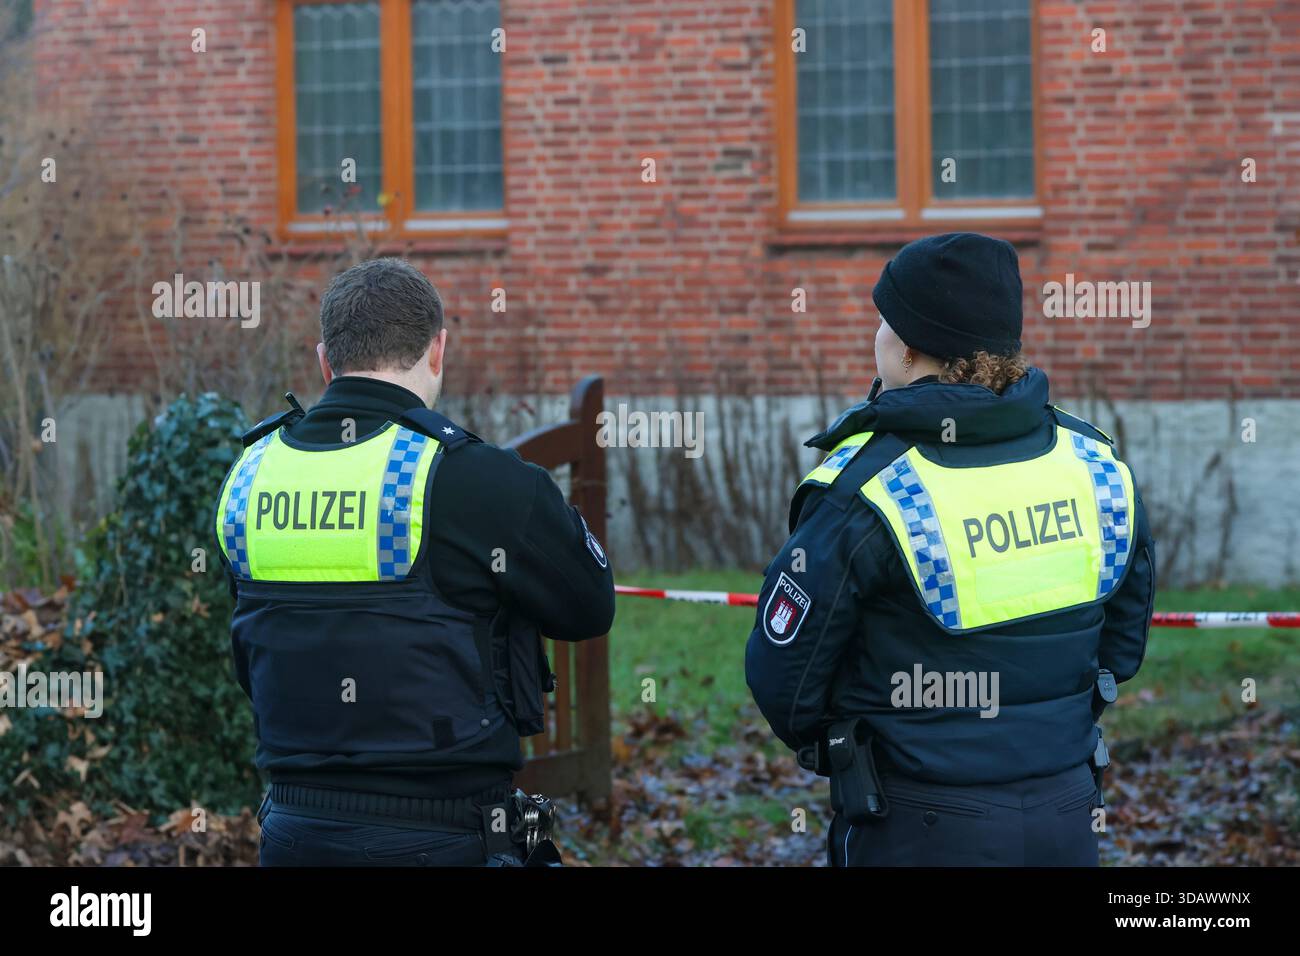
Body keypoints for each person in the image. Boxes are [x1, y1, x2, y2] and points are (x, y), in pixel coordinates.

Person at [745, 233, 1155, 866]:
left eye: (882, 321)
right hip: (1068, 810)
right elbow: (1122, 647)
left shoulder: (872, 488)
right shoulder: (1093, 463)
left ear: (909, 346)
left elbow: (786, 680)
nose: (874, 336)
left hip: (916, 821)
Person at [214, 257, 614, 866]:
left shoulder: (250, 477)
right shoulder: (473, 477)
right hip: (448, 834)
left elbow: (256, 639)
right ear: (437, 350)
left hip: (294, 833)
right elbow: (590, 605)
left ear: (325, 360)